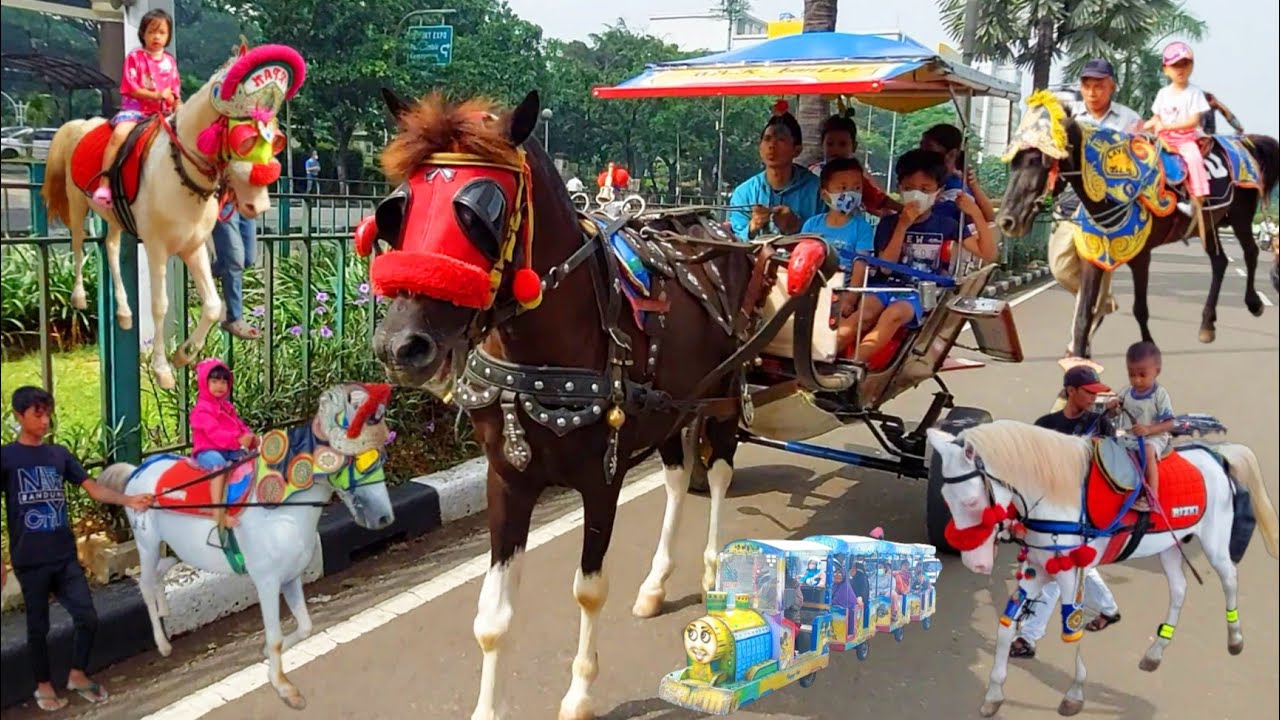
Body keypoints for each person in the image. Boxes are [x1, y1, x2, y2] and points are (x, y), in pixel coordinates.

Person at [1, 387, 154, 711]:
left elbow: (94, 489)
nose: (44, 420)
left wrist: (129, 499)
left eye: (47, 413)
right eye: (36, 414)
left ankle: (77, 673)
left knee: (87, 616)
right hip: (30, 560)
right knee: (37, 626)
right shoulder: (7, 457)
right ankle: (43, 686)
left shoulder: (59, 455)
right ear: (19, 416)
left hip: (64, 555)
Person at [1011, 366, 1124, 658]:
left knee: (1056, 568)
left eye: (1096, 393)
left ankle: (1028, 638)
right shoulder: (1045, 424)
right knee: (1073, 566)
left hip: (1079, 511)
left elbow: (1113, 466)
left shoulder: (1100, 425)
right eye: (1088, 392)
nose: (1093, 397)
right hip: (1046, 508)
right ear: (1071, 391)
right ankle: (1109, 609)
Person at [854, 149, 997, 362]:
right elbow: (885, 267)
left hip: (919, 294)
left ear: (938, 193)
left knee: (893, 315)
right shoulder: (888, 224)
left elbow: (988, 253)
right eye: (909, 188)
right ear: (899, 189)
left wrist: (974, 212)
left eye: (924, 188)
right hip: (885, 286)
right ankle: (824, 359)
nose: (916, 194)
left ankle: (854, 362)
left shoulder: (947, 225)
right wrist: (902, 225)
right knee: (862, 314)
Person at [1049, 59, 1145, 356]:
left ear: (1111, 86)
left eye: (1099, 85)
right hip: (1070, 205)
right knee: (1060, 266)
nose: (1093, 92)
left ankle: (1076, 347)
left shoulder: (1129, 121)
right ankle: (1100, 303)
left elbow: (1140, 159)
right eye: (1087, 85)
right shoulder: (1068, 117)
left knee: (1097, 273)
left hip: (1110, 212)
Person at [91, 9, 180, 211]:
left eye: (162, 32)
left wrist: (177, 104)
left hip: (164, 114)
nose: (156, 37)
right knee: (119, 136)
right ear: (143, 34)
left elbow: (174, 91)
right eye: (151, 32)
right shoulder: (135, 58)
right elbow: (130, 87)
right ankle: (104, 184)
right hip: (136, 112)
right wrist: (157, 95)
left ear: (168, 36)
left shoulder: (170, 62)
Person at [799, 157, 877, 353]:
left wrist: (850, 300)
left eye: (856, 188)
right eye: (842, 187)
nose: (850, 193)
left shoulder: (862, 228)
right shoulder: (812, 225)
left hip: (841, 293)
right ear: (825, 195)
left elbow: (861, 265)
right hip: (814, 289)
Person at [1145, 42, 1212, 241]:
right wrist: (1145, 125)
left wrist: (1168, 127)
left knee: (1193, 159)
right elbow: (1156, 117)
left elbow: (1194, 121)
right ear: (1166, 69)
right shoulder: (1163, 94)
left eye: (1185, 64)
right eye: (1175, 65)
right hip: (1163, 139)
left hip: (1185, 138)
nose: (1180, 69)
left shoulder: (1195, 93)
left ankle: (1196, 197)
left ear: (1191, 66)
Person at [728, 102, 823, 240]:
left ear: (797, 150)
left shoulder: (817, 191)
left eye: (781, 139)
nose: (772, 145)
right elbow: (734, 241)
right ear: (759, 147)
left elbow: (829, 238)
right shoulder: (744, 193)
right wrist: (752, 227)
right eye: (767, 139)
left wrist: (797, 227)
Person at [1107, 341, 1175, 512]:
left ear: (1156, 372)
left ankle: (1152, 496)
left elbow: (1170, 423)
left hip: (1154, 437)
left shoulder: (1160, 395)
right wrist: (1112, 408)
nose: (1137, 380)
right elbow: (1114, 415)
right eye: (1132, 375)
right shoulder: (1126, 392)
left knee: (1149, 450)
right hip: (1129, 436)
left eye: (1142, 375)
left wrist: (1149, 429)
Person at [190, 358, 256, 530]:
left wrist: (250, 436)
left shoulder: (227, 407)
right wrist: (237, 440)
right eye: (214, 381)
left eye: (223, 381)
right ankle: (217, 513)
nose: (220, 385)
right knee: (219, 466)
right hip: (207, 450)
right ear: (205, 383)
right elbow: (214, 433)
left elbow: (239, 425)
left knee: (250, 461)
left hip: (228, 449)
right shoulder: (202, 409)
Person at [807, 112, 901, 217]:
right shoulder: (812, 173)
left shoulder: (856, 177)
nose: (835, 149)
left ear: (854, 146)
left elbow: (878, 199)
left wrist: (902, 209)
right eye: (830, 144)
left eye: (842, 144)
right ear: (822, 145)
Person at [919, 123, 996, 222]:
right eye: (921, 148)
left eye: (929, 150)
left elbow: (988, 218)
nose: (922, 155)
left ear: (951, 154)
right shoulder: (926, 179)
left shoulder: (958, 188)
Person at [211, 208, 260, 339]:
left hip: (243, 197)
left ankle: (204, 271)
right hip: (224, 198)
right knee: (234, 260)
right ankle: (233, 318)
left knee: (247, 258)